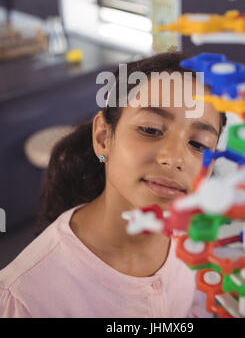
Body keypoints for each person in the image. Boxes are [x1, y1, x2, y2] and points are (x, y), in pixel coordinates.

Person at [0, 52, 226, 318]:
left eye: (198, 144)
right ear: (104, 137)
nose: (175, 158)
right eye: (151, 130)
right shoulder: (26, 299)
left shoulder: (194, 236)